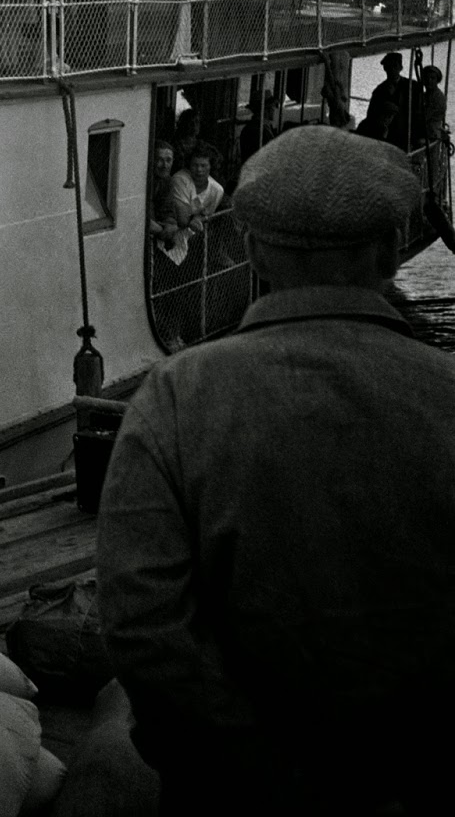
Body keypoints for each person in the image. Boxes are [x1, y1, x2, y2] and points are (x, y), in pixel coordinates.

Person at [97, 128, 455, 814]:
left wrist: (250, 767)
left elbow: (142, 628)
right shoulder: (444, 398)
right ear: (388, 251)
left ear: (254, 251)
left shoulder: (175, 398)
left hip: (234, 788)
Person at [366, 52, 418, 152]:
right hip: (386, 137)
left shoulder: (412, 87)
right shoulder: (379, 91)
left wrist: (414, 139)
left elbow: (417, 113)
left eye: (395, 66)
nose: (392, 69)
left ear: (400, 67)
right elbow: (371, 115)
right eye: (389, 66)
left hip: (405, 134)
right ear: (385, 68)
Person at [148, 142, 180, 248]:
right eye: (160, 160)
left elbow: (167, 209)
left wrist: (171, 225)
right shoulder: (145, 181)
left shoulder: (167, 181)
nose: (165, 165)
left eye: (168, 160)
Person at [237, 91, 278, 168]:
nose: (274, 109)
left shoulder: (252, 127)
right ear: (266, 109)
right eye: (272, 106)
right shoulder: (259, 131)